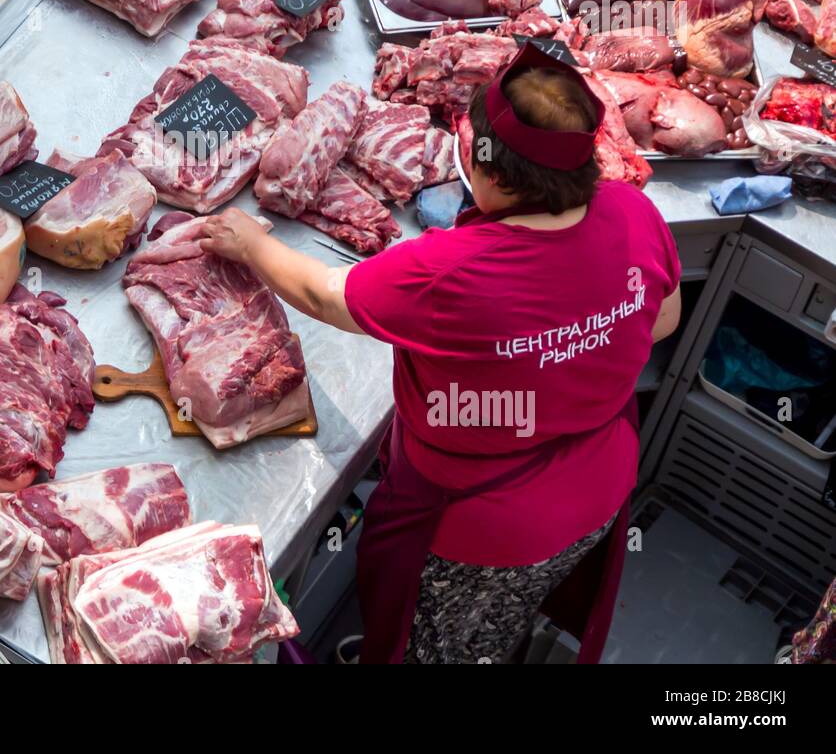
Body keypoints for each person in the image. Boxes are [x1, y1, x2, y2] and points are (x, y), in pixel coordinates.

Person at [200, 44, 683, 663]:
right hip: (598, 490)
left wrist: (252, 247)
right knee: (498, 624)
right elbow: (661, 321)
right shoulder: (632, 211)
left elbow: (325, 296)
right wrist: (572, 352)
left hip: (485, 522)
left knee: (436, 648)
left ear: (497, 174)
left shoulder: (449, 271)